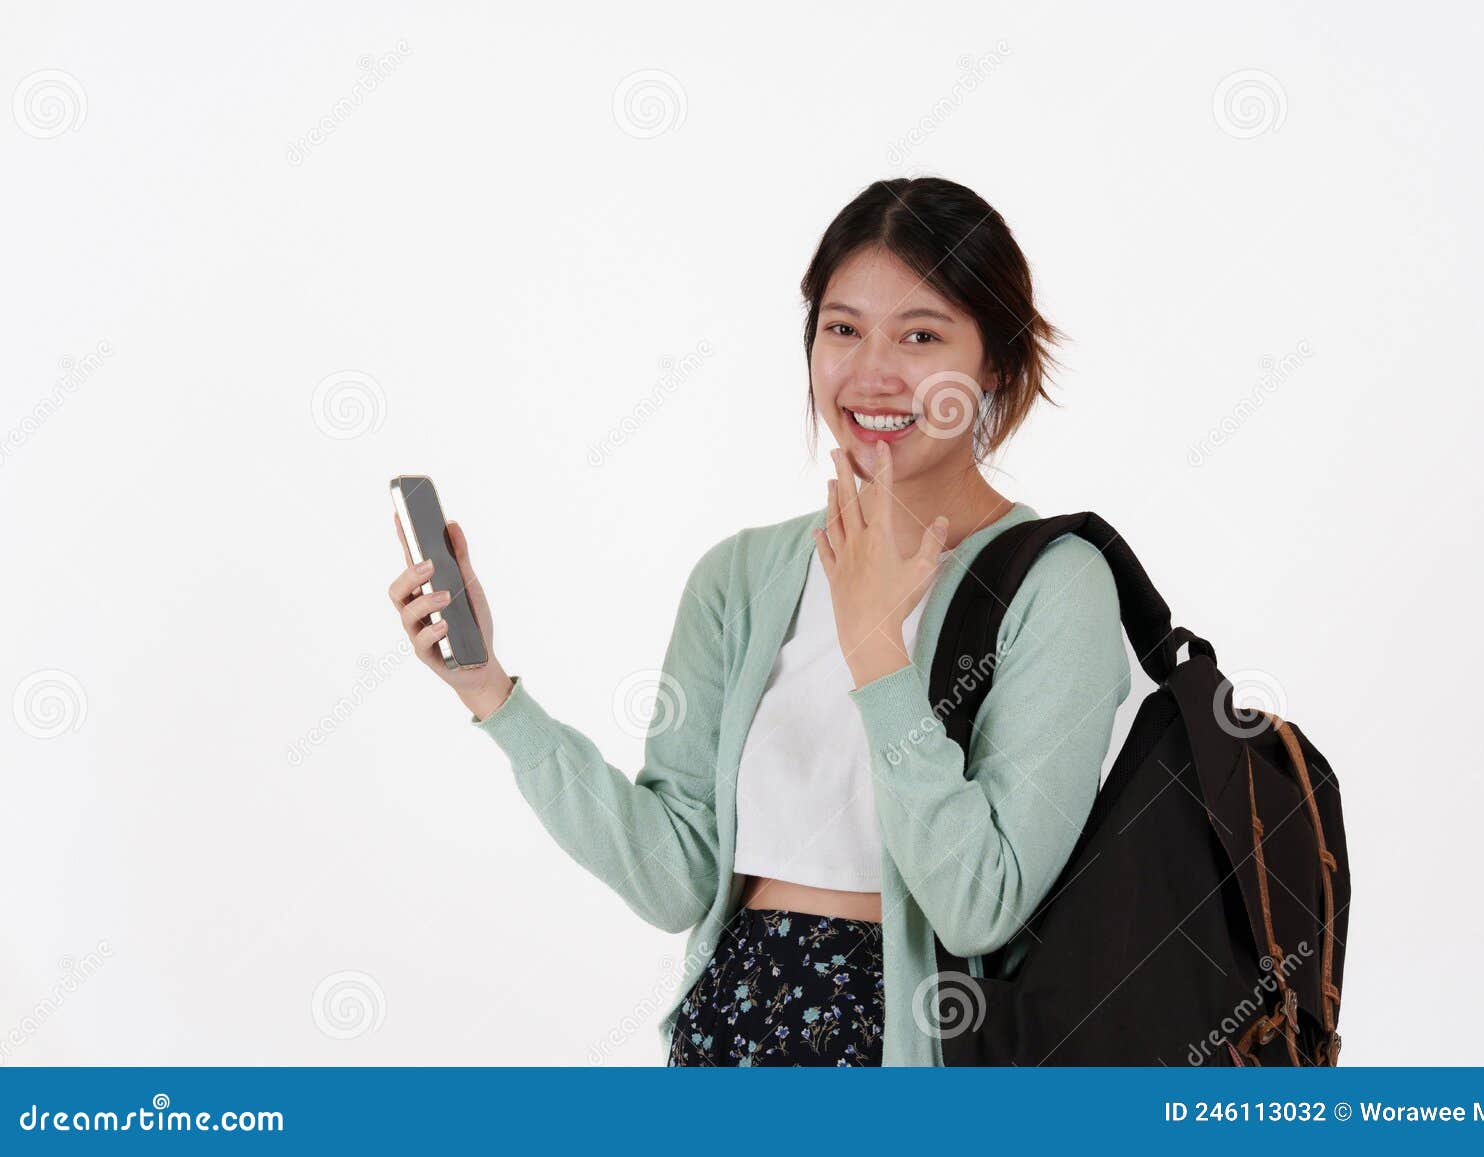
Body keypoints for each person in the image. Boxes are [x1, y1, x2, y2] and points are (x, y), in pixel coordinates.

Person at [385, 177, 1131, 1066]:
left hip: (913, 1052)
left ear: (996, 363)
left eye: (922, 335)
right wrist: (492, 693)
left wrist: (876, 655)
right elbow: (677, 878)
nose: (872, 372)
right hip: (727, 1033)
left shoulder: (1056, 585)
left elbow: (980, 901)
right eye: (842, 328)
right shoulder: (741, 577)